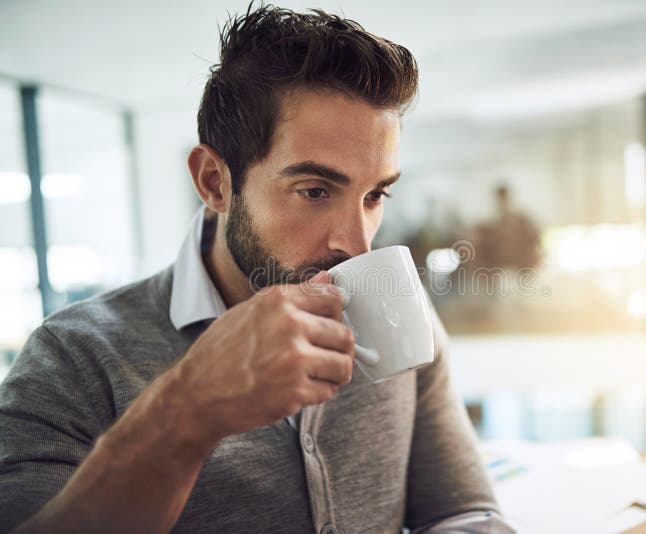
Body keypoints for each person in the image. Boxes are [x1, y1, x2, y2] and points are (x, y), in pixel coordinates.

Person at [0, 4, 514, 534]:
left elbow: (462, 511)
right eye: (315, 191)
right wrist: (187, 411)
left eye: (375, 195)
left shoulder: (399, 311)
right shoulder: (72, 358)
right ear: (214, 182)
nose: (357, 244)